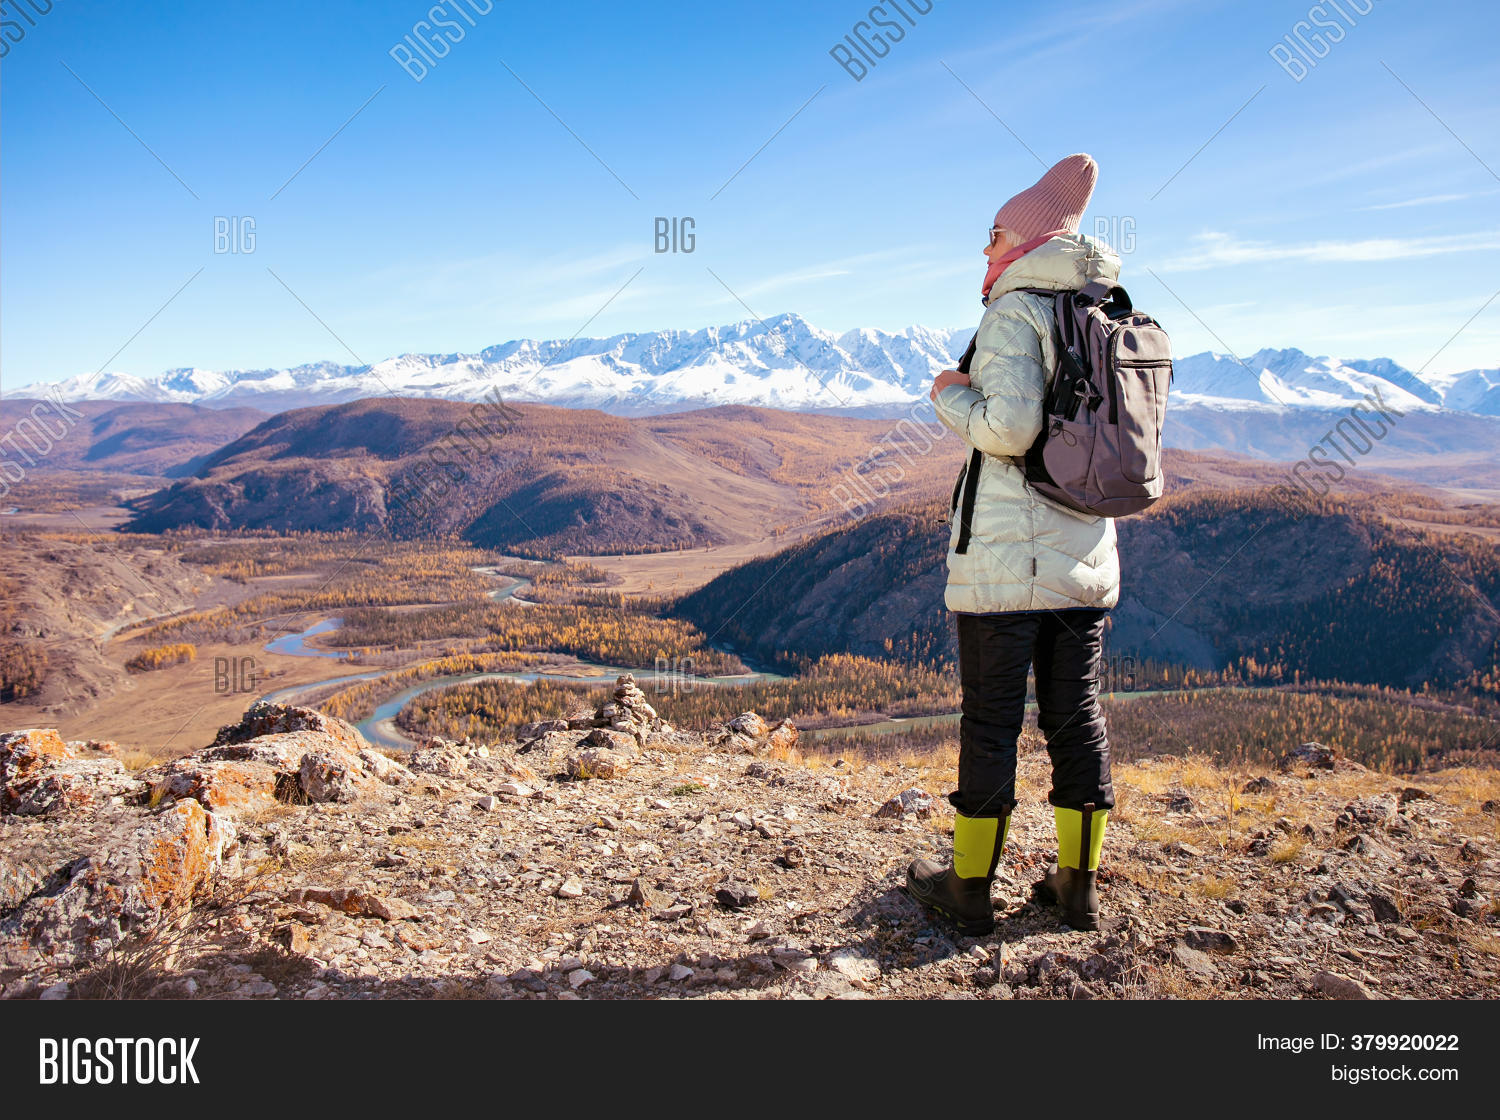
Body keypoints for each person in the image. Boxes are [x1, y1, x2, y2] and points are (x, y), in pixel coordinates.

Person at [908, 153, 1120, 935]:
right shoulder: (1099, 308)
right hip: (1085, 559)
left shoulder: (1015, 311)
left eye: (994, 235)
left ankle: (967, 892)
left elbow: (1008, 429)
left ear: (1025, 242)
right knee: (1077, 719)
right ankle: (1077, 888)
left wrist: (949, 396)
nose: (986, 250)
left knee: (992, 723)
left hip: (1007, 565)